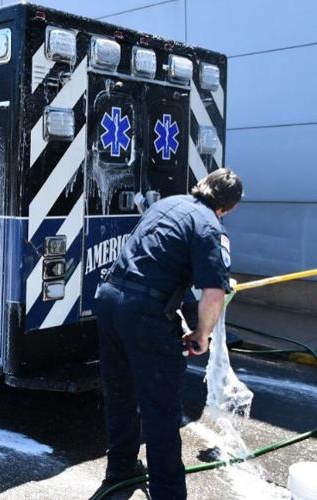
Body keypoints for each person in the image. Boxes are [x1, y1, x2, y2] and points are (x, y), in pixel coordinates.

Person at [94, 169, 243, 499]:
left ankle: (120, 468)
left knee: (120, 394)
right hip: (143, 311)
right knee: (160, 408)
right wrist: (202, 335)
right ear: (230, 207)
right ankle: (168, 494)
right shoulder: (210, 227)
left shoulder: (166, 206)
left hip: (110, 301)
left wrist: (182, 325)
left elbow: (151, 272)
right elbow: (213, 294)